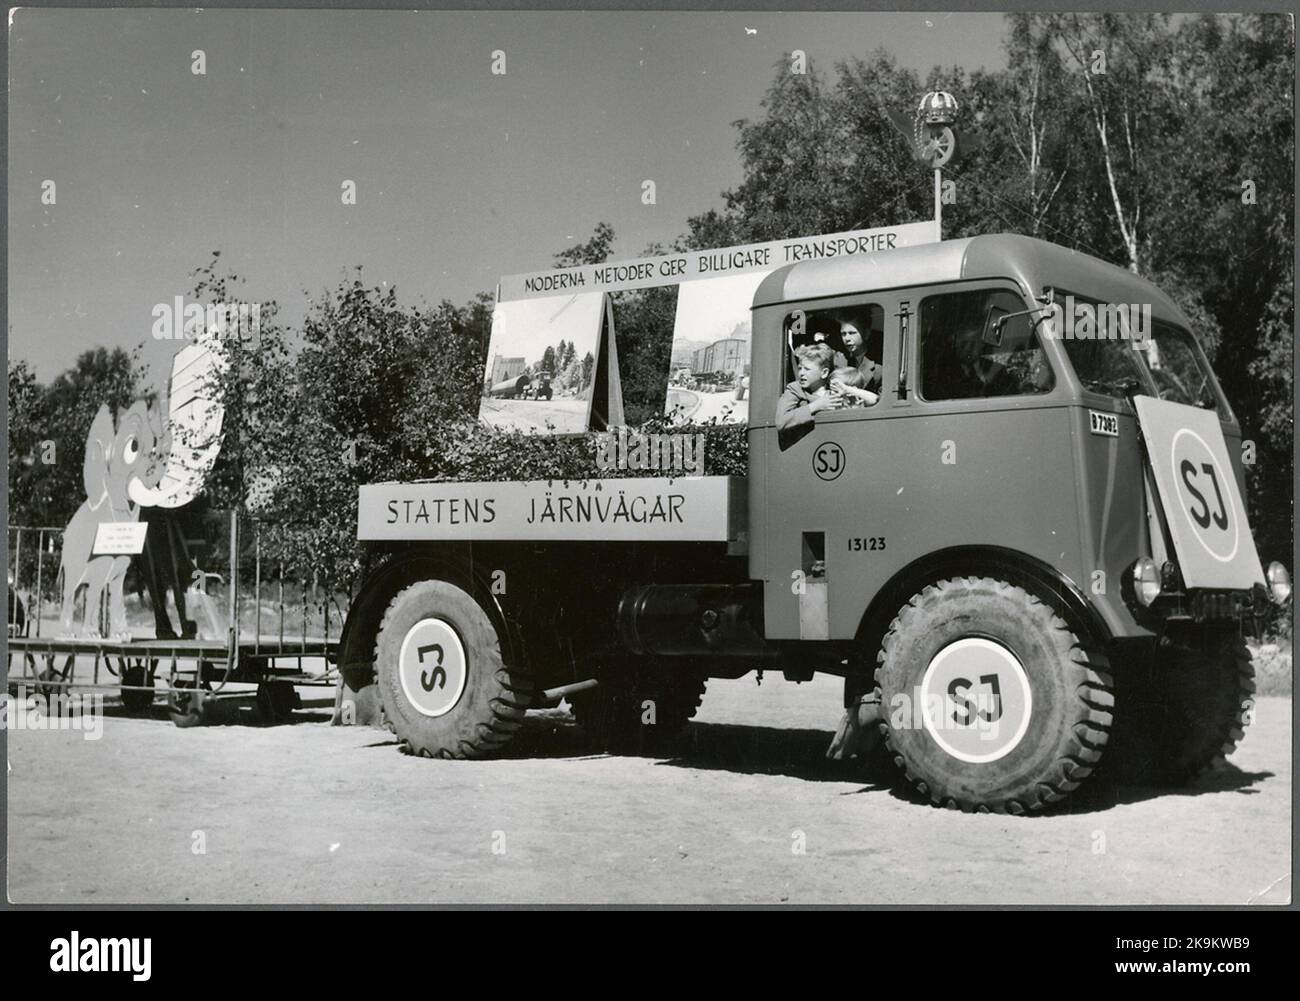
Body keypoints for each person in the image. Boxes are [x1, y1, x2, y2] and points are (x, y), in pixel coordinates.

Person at [776, 343, 843, 450]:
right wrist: (816, 406)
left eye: (807, 369)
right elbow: (781, 422)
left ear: (824, 373)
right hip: (806, 449)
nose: (801, 373)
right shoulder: (794, 389)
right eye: (800, 368)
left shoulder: (835, 390)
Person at [832, 312, 882, 400]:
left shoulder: (879, 366)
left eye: (852, 333)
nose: (847, 338)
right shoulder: (838, 359)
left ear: (866, 334)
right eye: (843, 334)